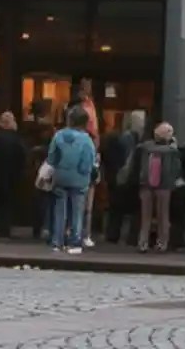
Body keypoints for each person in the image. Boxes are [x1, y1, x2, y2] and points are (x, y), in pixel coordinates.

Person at [124, 121, 182, 253]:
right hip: (164, 185)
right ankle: (162, 243)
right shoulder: (172, 151)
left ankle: (143, 242)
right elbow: (177, 169)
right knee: (163, 215)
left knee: (146, 216)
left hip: (146, 184)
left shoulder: (144, 147)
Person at [47, 107, 96, 254]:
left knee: (59, 209)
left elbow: (51, 157)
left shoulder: (59, 136)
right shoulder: (86, 139)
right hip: (79, 178)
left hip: (60, 176)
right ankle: (75, 242)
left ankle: (57, 241)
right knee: (77, 210)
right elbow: (89, 161)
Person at [102, 110, 146, 245]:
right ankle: (129, 237)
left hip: (120, 178)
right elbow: (127, 159)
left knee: (117, 209)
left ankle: (113, 235)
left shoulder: (122, 137)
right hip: (126, 178)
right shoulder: (131, 139)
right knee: (130, 209)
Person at [0, 111, 27, 239]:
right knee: (7, 204)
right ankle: (4, 229)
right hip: (11, 176)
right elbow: (22, 157)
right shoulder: (16, 139)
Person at [71, 84, 101, 248]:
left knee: (77, 205)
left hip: (78, 173)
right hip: (84, 172)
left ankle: (76, 233)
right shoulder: (88, 139)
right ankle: (82, 234)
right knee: (84, 205)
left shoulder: (65, 136)